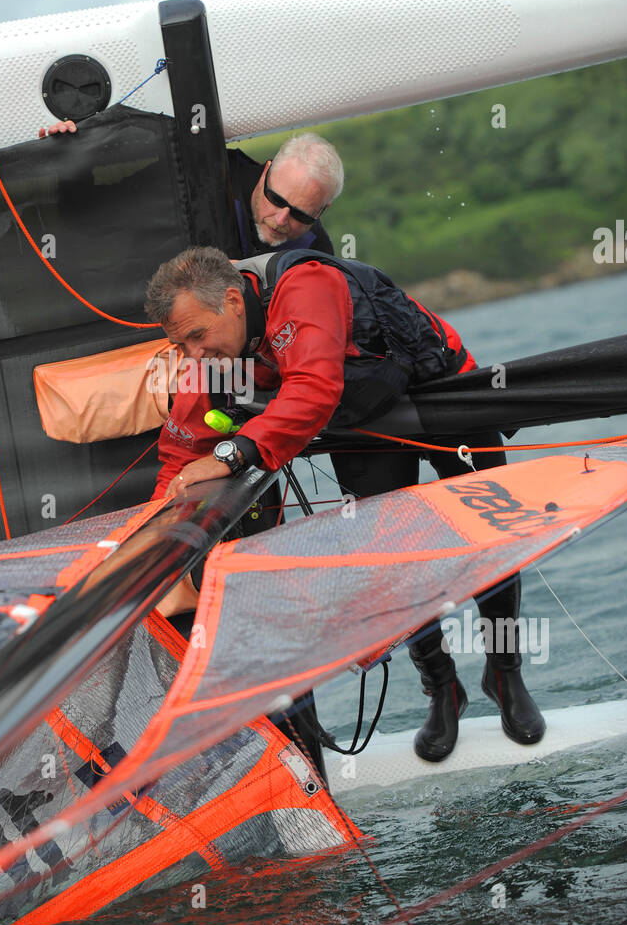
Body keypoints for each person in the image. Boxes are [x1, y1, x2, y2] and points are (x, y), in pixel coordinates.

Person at [143, 245, 546, 764]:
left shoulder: (304, 286)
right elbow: (181, 449)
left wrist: (236, 450)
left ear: (232, 300)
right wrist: (161, 522)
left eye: (197, 336)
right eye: (181, 345)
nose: (194, 355)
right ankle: (442, 689)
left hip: (442, 390)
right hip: (365, 422)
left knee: (492, 537)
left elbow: (313, 388)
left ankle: (505, 673)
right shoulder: (213, 356)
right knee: (394, 560)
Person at [38, 122, 341, 257]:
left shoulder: (317, 252)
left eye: (300, 214)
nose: (280, 219)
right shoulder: (204, 173)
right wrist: (68, 157)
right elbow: (101, 208)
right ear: (265, 171)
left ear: (322, 211)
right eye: (275, 199)